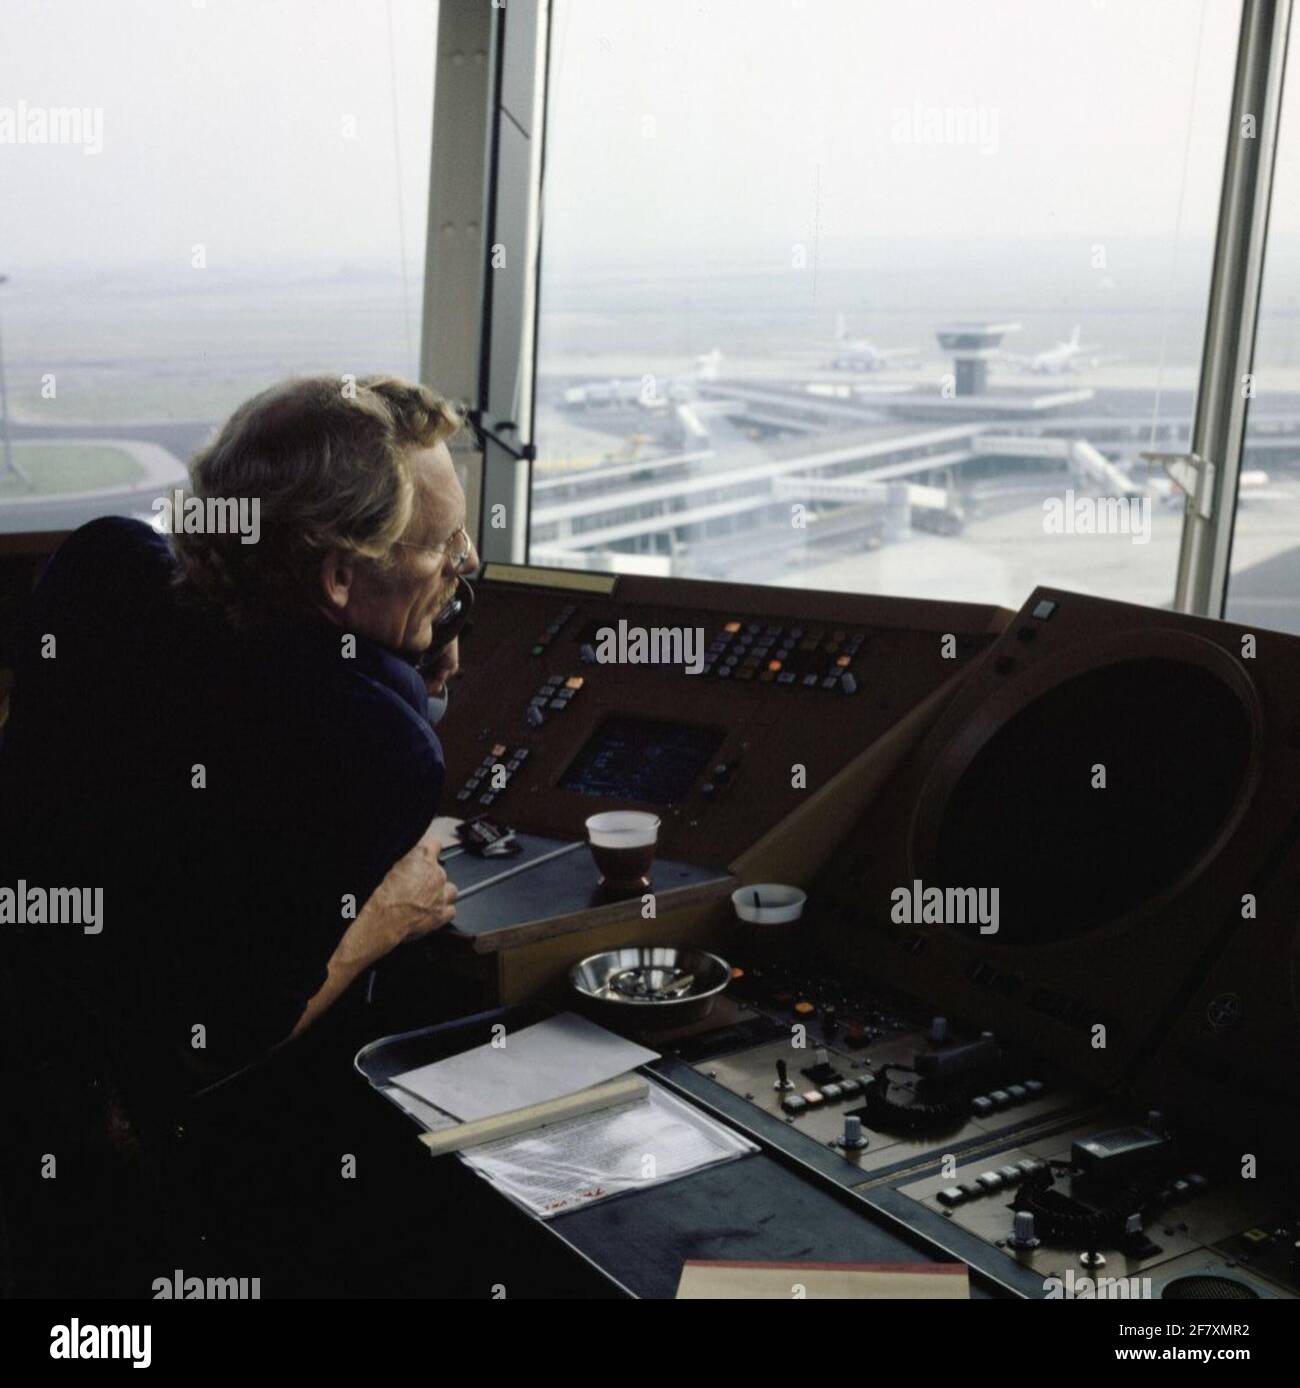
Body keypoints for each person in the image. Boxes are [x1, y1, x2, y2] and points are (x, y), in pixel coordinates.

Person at [0, 375, 478, 1295]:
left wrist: (423, 623)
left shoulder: (102, 566)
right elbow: (210, 1040)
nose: (464, 560)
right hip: (105, 1146)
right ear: (340, 577)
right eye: (445, 550)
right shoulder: (369, 745)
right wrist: (383, 916)